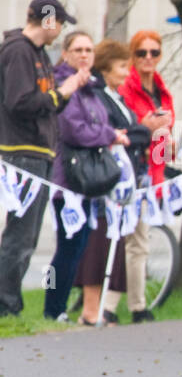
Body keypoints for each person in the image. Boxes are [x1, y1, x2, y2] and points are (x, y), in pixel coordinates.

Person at [0, 0, 89, 317]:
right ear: (49, 21)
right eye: (60, 21)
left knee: (29, 235)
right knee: (20, 235)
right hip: (22, 151)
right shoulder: (18, 51)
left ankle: (9, 304)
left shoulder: (38, 54)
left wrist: (67, 92)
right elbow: (19, 102)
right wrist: (60, 93)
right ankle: (6, 307)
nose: (61, 29)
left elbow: (46, 104)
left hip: (39, 151)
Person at [73, 39, 153, 325]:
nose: (127, 71)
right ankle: (91, 310)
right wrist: (142, 130)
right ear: (106, 68)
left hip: (123, 177)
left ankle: (101, 308)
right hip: (104, 178)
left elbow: (132, 131)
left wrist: (139, 131)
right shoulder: (99, 97)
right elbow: (113, 131)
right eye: (122, 66)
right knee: (100, 241)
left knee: (116, 241)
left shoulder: (115, 96)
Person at [44, 31, 114, 321]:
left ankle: (58, 309)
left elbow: (98, 122)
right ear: (66, 53)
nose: (84, 54)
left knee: (79, 246)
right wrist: (109, 135)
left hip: (87, 181)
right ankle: (52, 308)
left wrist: (103, 132)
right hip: (66, 180)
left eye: (88, 50)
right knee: (67, 246)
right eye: (78, 49)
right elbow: (74, 129)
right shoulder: (65, 84)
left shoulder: (92, 87)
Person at [117, 29, 176, 322]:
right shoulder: (126, 87)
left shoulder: (162, 89)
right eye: (142, 53)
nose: (148, 58)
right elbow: (127, 127)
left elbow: (165, 134)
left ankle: (109, 304)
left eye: (154, 53)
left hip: (154, 171)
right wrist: (146, 126)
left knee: (135, 238)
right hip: (131, 169)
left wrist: (170, 146)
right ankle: (138, 307)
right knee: (135, 239)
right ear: (133, 55)